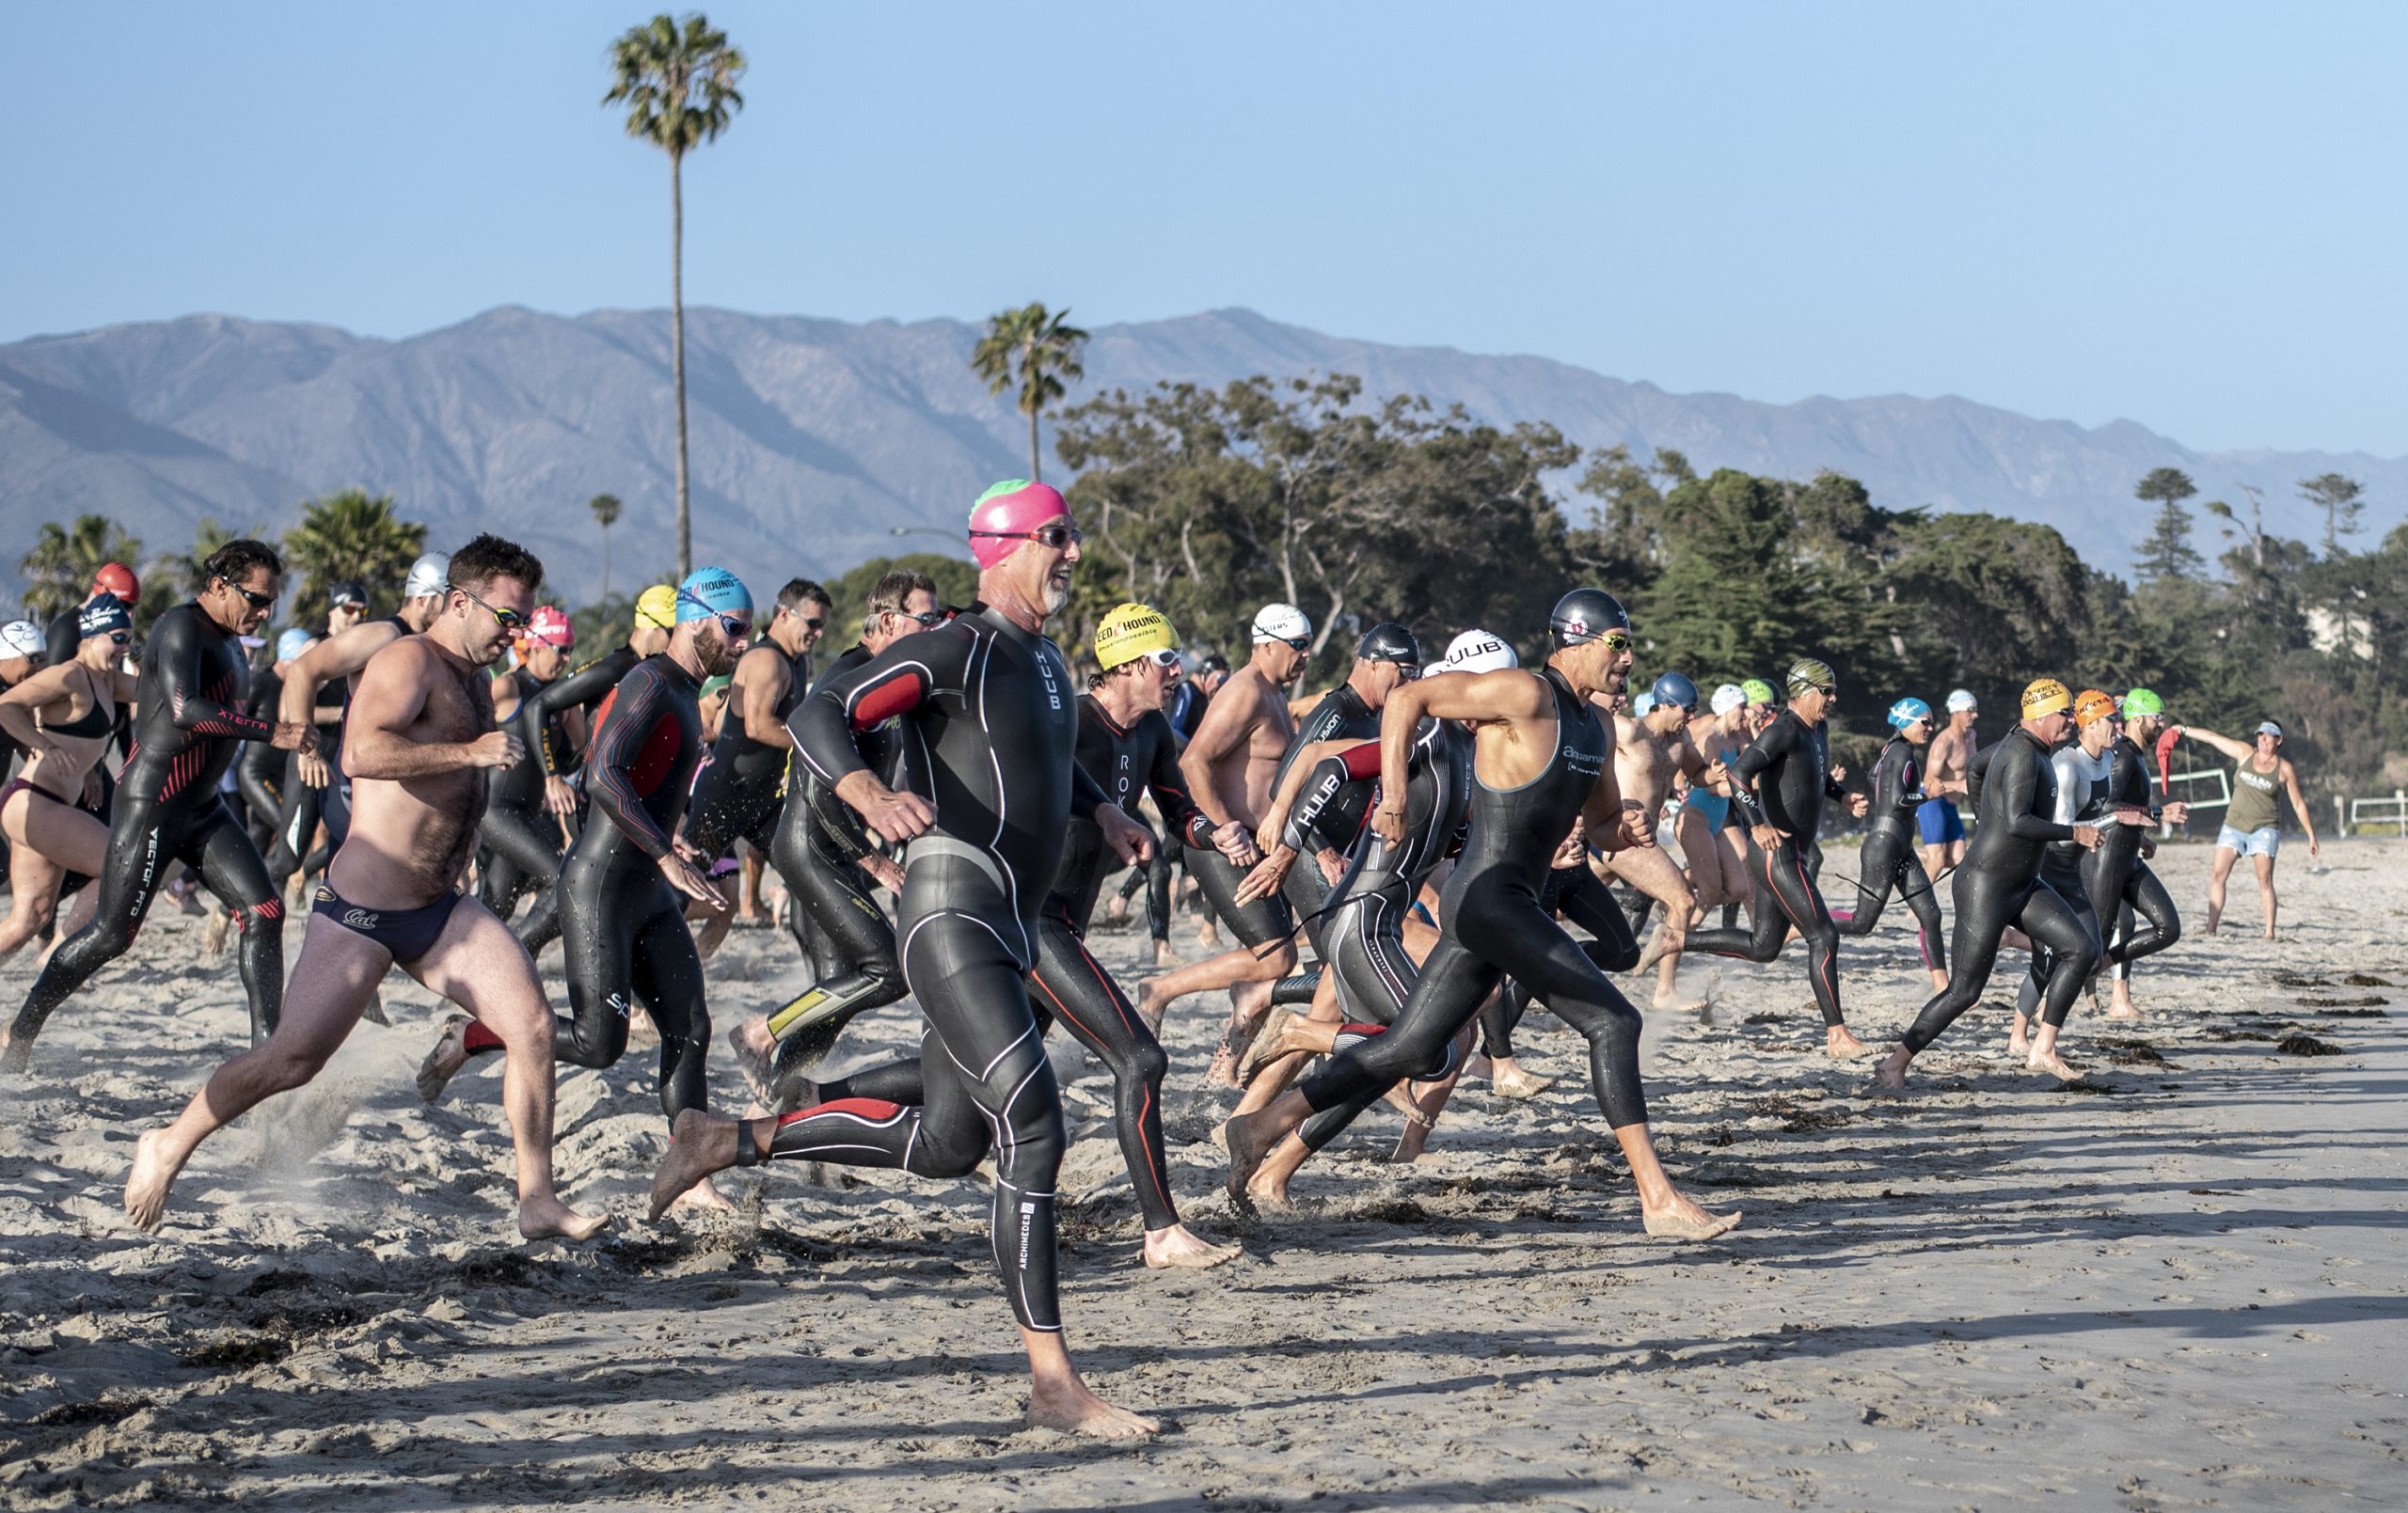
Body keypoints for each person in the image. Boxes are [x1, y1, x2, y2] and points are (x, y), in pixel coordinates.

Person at [649, 478, 1164, 1439]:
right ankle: (1054, 1382)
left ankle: (727, 1139)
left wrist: (1102, 807)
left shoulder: (1043, 659)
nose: (1075, 552)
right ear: (1003, 545)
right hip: (951, 909)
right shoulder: (956, 646)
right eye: (1058, 537)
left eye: (1073, 536)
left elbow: (1050, 755)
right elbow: (822, 713)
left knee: (948, 1144)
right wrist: (860, 789)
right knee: (1035, 1119)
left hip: (1007, 922)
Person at [121, 535, 607, 1241]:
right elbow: (361, 750)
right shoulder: (408, 660)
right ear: (460, 601)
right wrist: (468, 752)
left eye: (524, 620)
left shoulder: (475, 674)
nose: (518, 633)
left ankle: (536, 1198)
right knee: (292, 1059)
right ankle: (168, 1142)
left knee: (531, 1026)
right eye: (508, 616)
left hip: (440, 912)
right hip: (363, 913)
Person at [1225, 590, 1738, 1242]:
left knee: (1413, 1047)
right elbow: (1409, 699)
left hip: (1500, 902)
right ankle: (1657, 1197)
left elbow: (1603, 823)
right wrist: (1392, 797)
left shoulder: (1596, 726)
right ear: (1575, 640)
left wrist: (1626, 827)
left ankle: (1262, 1125)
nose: (1628, 658)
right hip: (1489, 896)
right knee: (1615, 1021)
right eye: (1617, 643)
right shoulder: (1525, 694)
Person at [420, 570, 750, 1161]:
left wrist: (675, 839)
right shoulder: (648, 682)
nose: (743, 644)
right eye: (734, 630)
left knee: (691, 1027)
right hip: (599, 886)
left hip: (648, 891)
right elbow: (603, 775)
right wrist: (663, 850)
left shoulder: (686, 695)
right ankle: (470, 1036)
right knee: (600, 1045)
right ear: (695, 620)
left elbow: (654, 780)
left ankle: (691, 1167)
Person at [1228, 627, 1513, 1204]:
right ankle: (1298, 1030)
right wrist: (1287, 849)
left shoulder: (1467, 750)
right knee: (1425, 1050)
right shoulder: (1428, 729)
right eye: (1490, 688)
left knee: (1390, 1059)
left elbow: (1448, 841)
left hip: (1380, 919)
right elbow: (1326, 769)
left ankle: (1269, 1161)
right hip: (1360, 919)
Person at [3, 542, 311, 1068]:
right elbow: (183, 708)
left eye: (271, 605)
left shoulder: (234, 643)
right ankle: (21, 1034)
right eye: (258, 600)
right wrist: (271, 732)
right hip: (153, 806)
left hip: (205, 809)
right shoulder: (180, 628)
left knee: (264, 910)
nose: (264, 613)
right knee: (110, 935)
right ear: (219, 586)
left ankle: (267, 1059)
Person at [725, 568, 940, 1100]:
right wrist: (872, 860)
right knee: (889, 971)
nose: (936, 631)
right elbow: (822, 788)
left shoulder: (890, 679)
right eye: (927, 619)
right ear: (888, 621)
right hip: (813, 847)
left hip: (827, 849)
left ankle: (778, 1098)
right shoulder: (848, 678)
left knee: (836, 998)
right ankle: (758, 1032)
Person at [1876, 679, 2147, 1091]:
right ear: (2040, 716)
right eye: (2065, 713)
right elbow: (2019, 821)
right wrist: (2072, 833)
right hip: (1985, 886)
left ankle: (2044, 1048)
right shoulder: (2021, 752)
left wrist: (1986, 815)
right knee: (1964, 992)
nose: (2072, 720)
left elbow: (1975, 769)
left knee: (2082, 949)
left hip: (2022, 883)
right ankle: (1896, 1062)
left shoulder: (2032, 748)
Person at [1137, 605, 1313, 1068]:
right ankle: (1159, 989)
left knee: (1261, 970)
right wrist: (1222, 829)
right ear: (1267, 644)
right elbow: (1194, 760)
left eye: (1309, 645)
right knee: (1276, 959)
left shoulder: (1274, 693)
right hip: (1226, 849)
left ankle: (1224, 1066)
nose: (1306, 656)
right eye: (1298, 646)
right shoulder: (1246, 691)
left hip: (1257, 846)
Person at [1680, 658, 1871, 1057]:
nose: (1833, 698)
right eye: (1826, 691)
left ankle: (1678, 939)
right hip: (1774, 851)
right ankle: (1837, 1035)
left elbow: (1817, 775)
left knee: (1764, 947)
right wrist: (1757, 824)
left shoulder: (1817, 728)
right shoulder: (1782, 729)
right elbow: (1738, 774)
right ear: (1803, 691)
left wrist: (1842, 796)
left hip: (1791, 852)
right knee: (1824, 935)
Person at [267, 557, 451, 901]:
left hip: (369, 776)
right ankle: (248, 917)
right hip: (331, 770)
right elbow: (302, 672)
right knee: (288, 860)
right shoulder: (383, 635)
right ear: (424, 598)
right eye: (447, 602)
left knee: (351, 884)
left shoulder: (429, 648)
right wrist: (306, 749)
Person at [506, 583, 677, 952]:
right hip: (595, 800)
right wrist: (553, 776)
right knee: (577, 886)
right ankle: (518, 954)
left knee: (610, 895)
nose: (676, 641)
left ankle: (524, 953)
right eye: (671, 632)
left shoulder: (653, 672)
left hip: (620, 802)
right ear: (647, 625)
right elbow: (539, 706)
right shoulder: (616, 667)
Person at [686, 578, 831, 931]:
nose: (819, 633)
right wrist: (811, 746)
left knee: (807, 874)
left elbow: (723, 723)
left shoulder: (796, 661)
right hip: (725, 796)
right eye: (812, 623)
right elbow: (758, 726)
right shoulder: (768, 659)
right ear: (784, 615)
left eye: (823, 625)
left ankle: (818, 960)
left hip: (762, 800)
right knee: (681, 889)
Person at [0, 595, 139, 962]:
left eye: (130, 640)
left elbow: (158, 694)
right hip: (36, 799)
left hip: (46, 804)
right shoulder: (69, 674)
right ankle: (56, 956)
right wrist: (43, 745)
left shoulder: (106, 682)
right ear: (94, 635)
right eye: (119, 638)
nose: (125, 647)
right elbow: (6, 707)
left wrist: (91, 770)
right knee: (120, 865)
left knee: (28, 920)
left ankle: (52, 952)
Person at [2007, 688, 2122, 1075]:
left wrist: (2128, 818)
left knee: (2090, 952)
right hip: (2052, 867)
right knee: (2056, 956)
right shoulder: (2067, 767)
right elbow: (2060, 831)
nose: (2117, 727)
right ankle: (2027, 1038)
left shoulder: (2106, 758)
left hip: (2072, 871)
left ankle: (2033, 1030)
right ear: (2089, 725)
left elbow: (2101, 812)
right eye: (2110, 720)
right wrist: (2116, 821)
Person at [1607, 671, 1722, 1012]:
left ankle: (1520, 965)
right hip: (1619, 835)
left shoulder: (1680, 739)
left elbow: (1697, 774)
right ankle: (1665, 992)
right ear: (1664, 705)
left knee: (1556, 909)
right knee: (1683, 901)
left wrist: (1710, 775)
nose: (1691, 717)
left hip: (1644, 838)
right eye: (1687, 709)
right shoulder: (1627, 730)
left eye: (1694, 710)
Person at [1831, 697, 1950, 993]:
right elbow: (1897, 800)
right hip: (1884, 846)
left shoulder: (1893, 750)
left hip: (1900, 847)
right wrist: (1927, 795)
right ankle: (1800, 925)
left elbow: (1876, 775)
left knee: (1931, 915)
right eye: (1925, 722)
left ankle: (1942, 986)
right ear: (1906, 722)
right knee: (1861, 923)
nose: (1930, 727)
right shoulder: (1902, 752)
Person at [478, 606, 579, 927]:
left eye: (570, 651)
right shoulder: (508, 688)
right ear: (536, 646)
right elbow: (462, 733)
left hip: (526, 814)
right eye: (560, 650)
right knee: (562, 878)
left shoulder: (562, 698)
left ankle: (468, 962)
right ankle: (524, 948)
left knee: (497, 905)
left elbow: (584, 750)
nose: (565, 659)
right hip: (494, 809)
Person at [2093, 689, 2186, 1017]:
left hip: (2129, 859)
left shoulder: (2136, 755)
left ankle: (2102, 967)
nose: (2161, 724)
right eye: (2157, 717)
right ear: (2137, 718)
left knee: (2168, 928)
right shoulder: (2122, 756)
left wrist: (2143, 834)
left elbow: (2130, 809)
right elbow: (2109, 807)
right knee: (2094, 940)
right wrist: (2159, 814)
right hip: (2106, 861)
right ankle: (2042, 1009)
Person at [2181, 719, 2318, 938]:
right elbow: (2213, 738)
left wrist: (2311, 835)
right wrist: (2184, 730)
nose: (2263, 740)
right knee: (2217, 875)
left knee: (2264, 880)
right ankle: (2211, 928)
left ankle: (2269, 932)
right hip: (2233, 825)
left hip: (2264, 829)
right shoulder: (2245, 753)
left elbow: (2299, 803)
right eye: (2260, 735)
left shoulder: (2284, 769)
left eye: (2269, 736)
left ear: (2279, 740)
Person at [1918, 688, 1979, 878]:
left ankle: (1909, 855)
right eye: (1970, 710)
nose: (1975, 715)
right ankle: (1915, 909)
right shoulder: (1943, 742)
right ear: (1956, 712)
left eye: (1975, 710)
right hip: (1933, 802)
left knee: (1962, 863)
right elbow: (1929, 783)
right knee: (1937, 861)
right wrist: (1958, 785)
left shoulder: (1971, 736)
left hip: (1951, 806)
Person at [41, 561, 140, 669]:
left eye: (132, 606)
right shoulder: (66, 629)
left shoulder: (116, 630)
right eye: (124, 605)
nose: (127, 613)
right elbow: (50, 677)